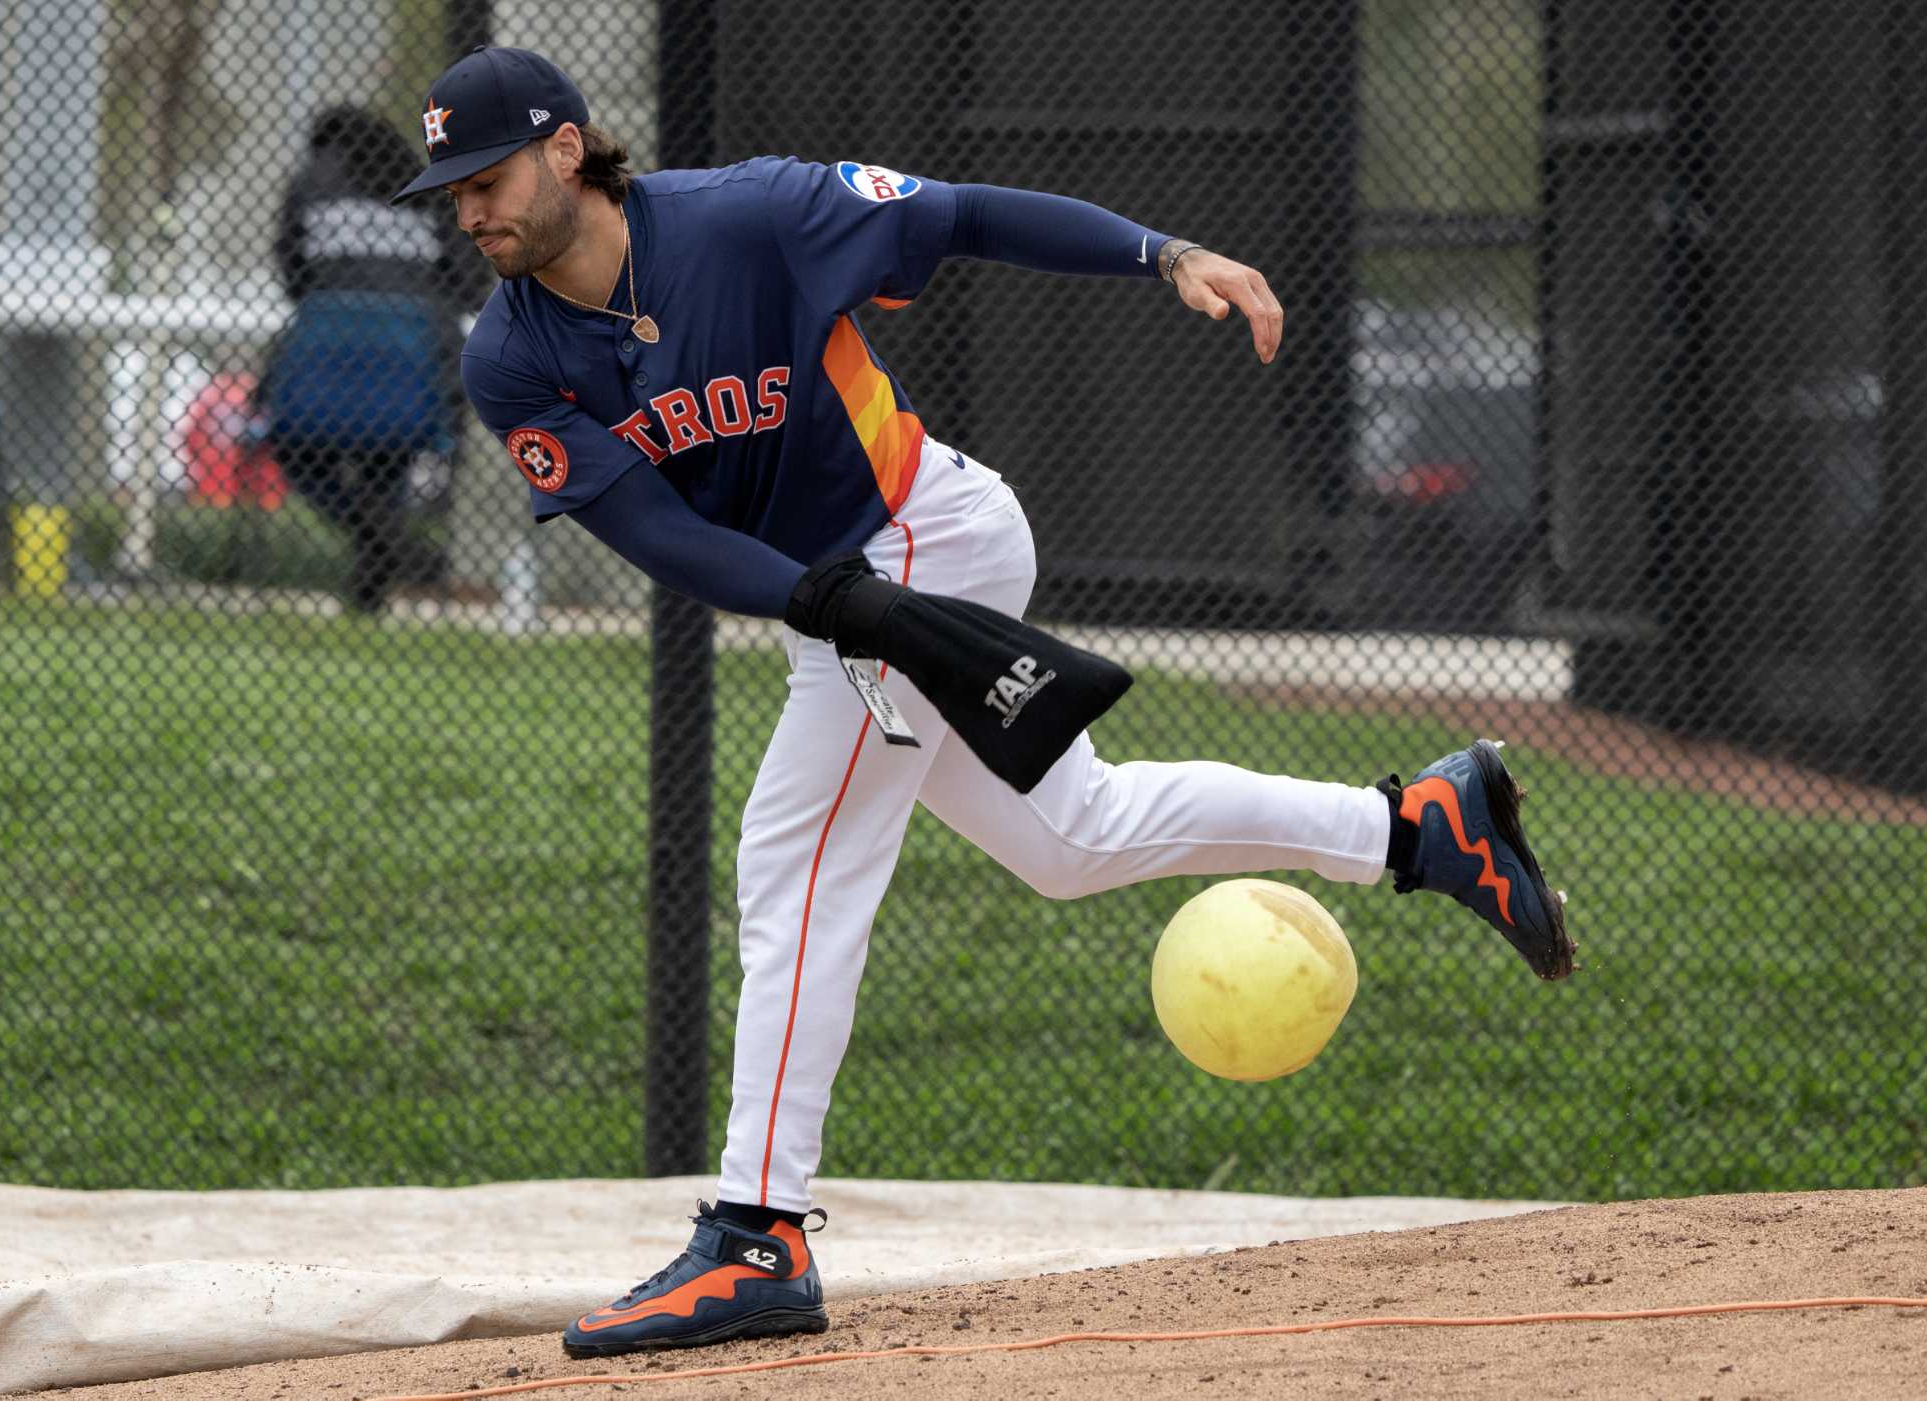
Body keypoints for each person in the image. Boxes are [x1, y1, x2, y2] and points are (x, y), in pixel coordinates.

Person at [391, 46, 1575, 1360]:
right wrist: (838, 611)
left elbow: (958, 216)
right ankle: (1419, 825)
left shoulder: (751, 217)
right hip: (853, 596)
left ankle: (753, 1238)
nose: (469, 211)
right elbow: (652, 528)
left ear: (566, 149)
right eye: (450, 191)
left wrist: (1160, 251)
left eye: (484, 177)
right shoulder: (511, 353)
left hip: (927, 535)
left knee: (795, 855)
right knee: (1074, 839)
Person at [264, 104, 484, 613]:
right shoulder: (427, 187)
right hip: (417, 366)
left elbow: (292, 274)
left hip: (327, 357)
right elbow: (468, 281)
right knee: (388, 457)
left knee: (295, 448)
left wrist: (346, 291)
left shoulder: (309, 182)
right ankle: (383, 553)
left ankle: (381, 543)